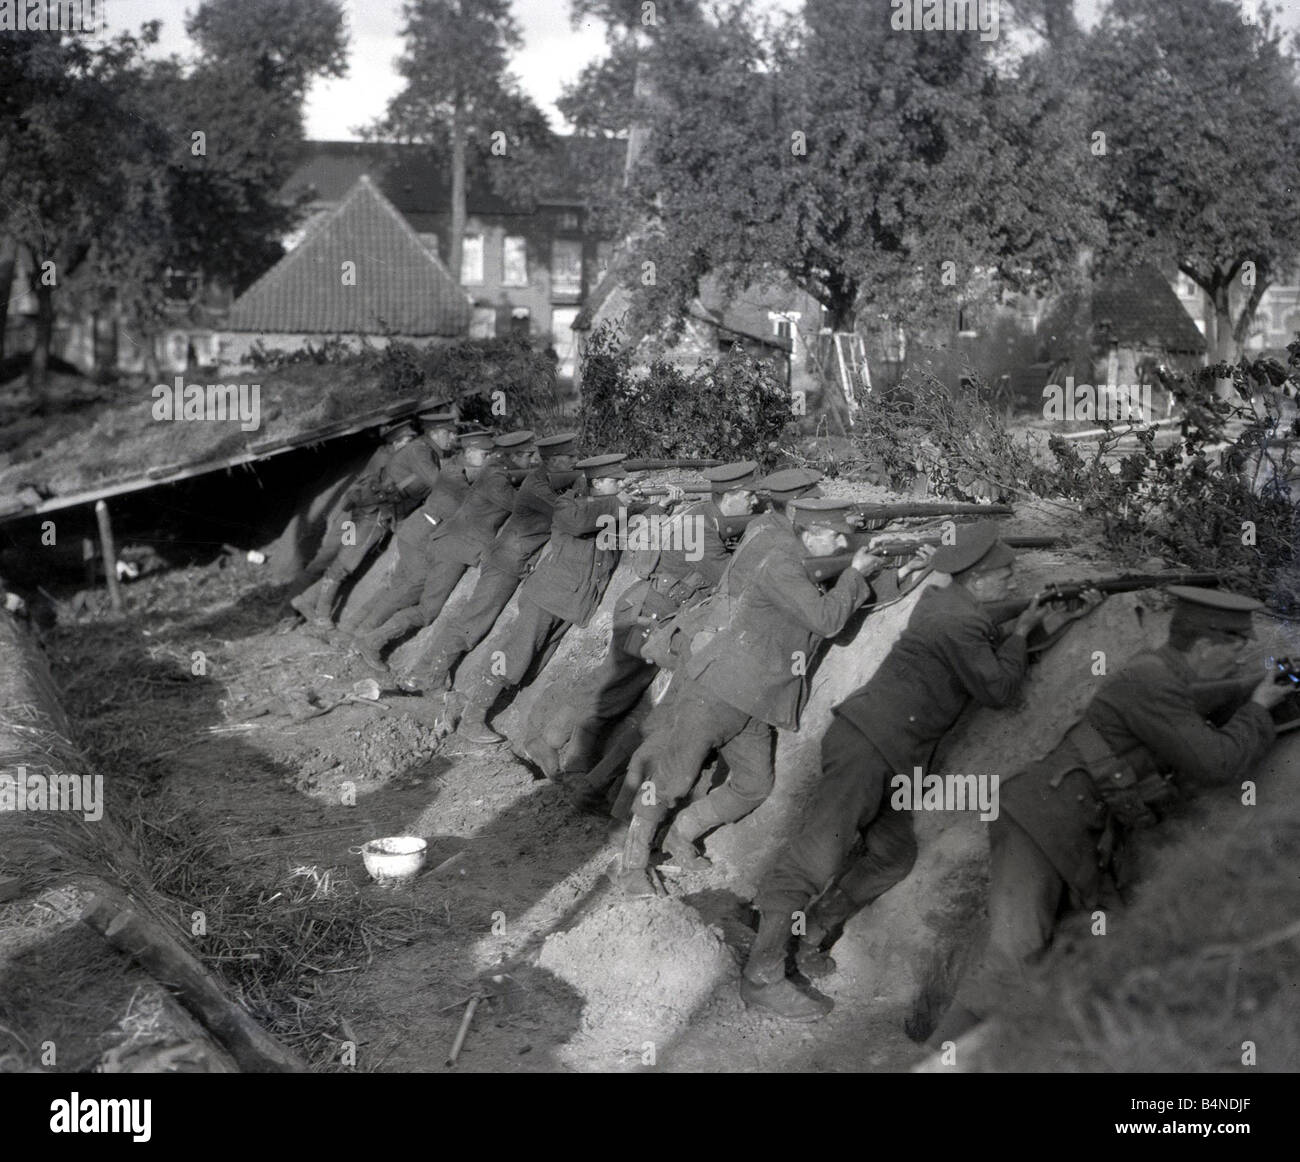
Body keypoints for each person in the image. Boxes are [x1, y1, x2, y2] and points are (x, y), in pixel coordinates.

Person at [929, 585, 1288, 1046]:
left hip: (1071, 828)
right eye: (1235, 652)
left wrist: (1251, 689)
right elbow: (1216, 762)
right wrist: (1258, 708)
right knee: (1013, 961)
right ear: (1203, 647)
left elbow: (1201, 699)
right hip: (1042, 823)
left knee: (1096, 946)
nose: (1239, 661)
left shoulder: (1162, 672)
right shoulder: (1153, 684)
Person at [740, 522, 1071, 1021]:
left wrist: (1036, 617)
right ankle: (761, 975)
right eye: (1004, 575)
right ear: (977, 577)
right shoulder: (959, 622)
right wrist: (1025, 630)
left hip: (890, 753)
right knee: (817, 856)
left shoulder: (946, 602)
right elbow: (999, 691)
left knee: (893, 856)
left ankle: (809, 936)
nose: (1011, 582)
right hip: (871, 748)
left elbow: (985, 630)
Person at [612, 492, 889, 898]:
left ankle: (680, 834)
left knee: (754, 785)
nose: (844, 546)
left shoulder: (804, 561)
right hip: (719, 691)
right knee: (673, 778)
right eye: (838, 538)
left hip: (757, 701)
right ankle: (632, 864)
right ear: (813, 534)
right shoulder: (781, 564)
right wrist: (856, 573)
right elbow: (826, 619)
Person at [517, 460, 762, 782]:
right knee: (614, 684)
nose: (754, 501)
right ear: (729, 495)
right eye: (749, 496)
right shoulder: (700, 530)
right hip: (645, 615)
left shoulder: (706, 515)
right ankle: (559, 748)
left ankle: (560, 747)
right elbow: (730, 578)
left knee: (615, 682)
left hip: (652, 611)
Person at [454, 453, 641, 745]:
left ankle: (489, 709)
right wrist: (620, 504)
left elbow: (629, 516)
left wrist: (660, 505)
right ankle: (472, 718)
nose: (620, 486)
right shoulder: (570, 505)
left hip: (572, 603)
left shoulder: (606, 508)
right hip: (548, 596)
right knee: (515, 656)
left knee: (533, 665)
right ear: (599, 482)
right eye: (615, 481)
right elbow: (579, 523)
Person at [401, 432, 581, 691]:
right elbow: (566, 515)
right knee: (473, 622)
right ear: (553, 461)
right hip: (505, 561)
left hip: (508, 560)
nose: (575, 460)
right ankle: (428, 674)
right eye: (569, 457)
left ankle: (423, 673)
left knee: (472, 619)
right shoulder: (533, 485)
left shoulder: (537, 479)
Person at [352, 430, 537, 663]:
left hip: (437, 538)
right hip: (425, 535)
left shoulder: (483, 472)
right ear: (469, 451)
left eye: (491, 453)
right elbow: (510, 498)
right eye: (484, 453)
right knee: (417, 598)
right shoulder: (455, 471)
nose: (488, 457)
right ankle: (367, 639)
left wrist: (520, 473)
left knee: (404, 588)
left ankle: (361, 634)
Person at [308, 415, 445, 628]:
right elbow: (368, 487)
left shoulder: (408, 457)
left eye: (411, 439)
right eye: (405, 441)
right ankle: (319, 613)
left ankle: (306, 603)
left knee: (346, 561)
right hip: (367, 513)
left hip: (381, 513)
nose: (409, 444)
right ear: (395, 442)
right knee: (342, 561)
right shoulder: (384, 458)